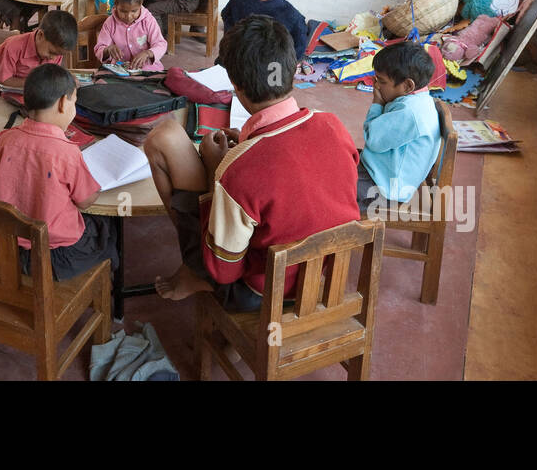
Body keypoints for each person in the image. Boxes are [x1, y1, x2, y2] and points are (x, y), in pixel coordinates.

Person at [141, 15, 360, 308]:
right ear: (293, 69)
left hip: (262, 294)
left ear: (234, 84)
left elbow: (224, 271)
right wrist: (247, 147)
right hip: (323, 275)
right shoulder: (333, 125)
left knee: (164, 137)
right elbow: (302, 175)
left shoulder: (238, 170)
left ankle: (195, 273)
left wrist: (214, 172)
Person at [0, 64, 118, 280]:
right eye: (75, 102)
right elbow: (86, 201)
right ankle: (108, 287)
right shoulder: (66, 152)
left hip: (11, 245)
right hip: (57, 257)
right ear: (62, 103)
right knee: (107, 228)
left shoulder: (6, 139)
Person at [355, 41, 441, 213]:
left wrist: (377, 103)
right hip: (382, 172)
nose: (377, 86)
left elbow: (372, 139)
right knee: (334, 158)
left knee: (327, 190)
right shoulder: (417, 100)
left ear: (408, 85)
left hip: (383, 190)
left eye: (382, 81)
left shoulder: (409, 112)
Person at [0, 9, 77, 96]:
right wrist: (37, 83)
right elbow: (3, 80)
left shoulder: (56, 52)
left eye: (58, 55)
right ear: (41, 35)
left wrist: (65, 79)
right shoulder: (12, 47)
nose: (54, 58)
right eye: (51, 52)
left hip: (30, 94)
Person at [94, 0, 166, 71]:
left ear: (141, 4)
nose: (128, 16)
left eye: (134, 11)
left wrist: (148, 53)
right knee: (104, 79)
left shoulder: (148, 20)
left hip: (145, 67)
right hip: (118, 68)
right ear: (115, 5)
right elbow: (99, 49)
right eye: (123, 11)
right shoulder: (110, 23)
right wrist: (108, 50)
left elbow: (161, 44)